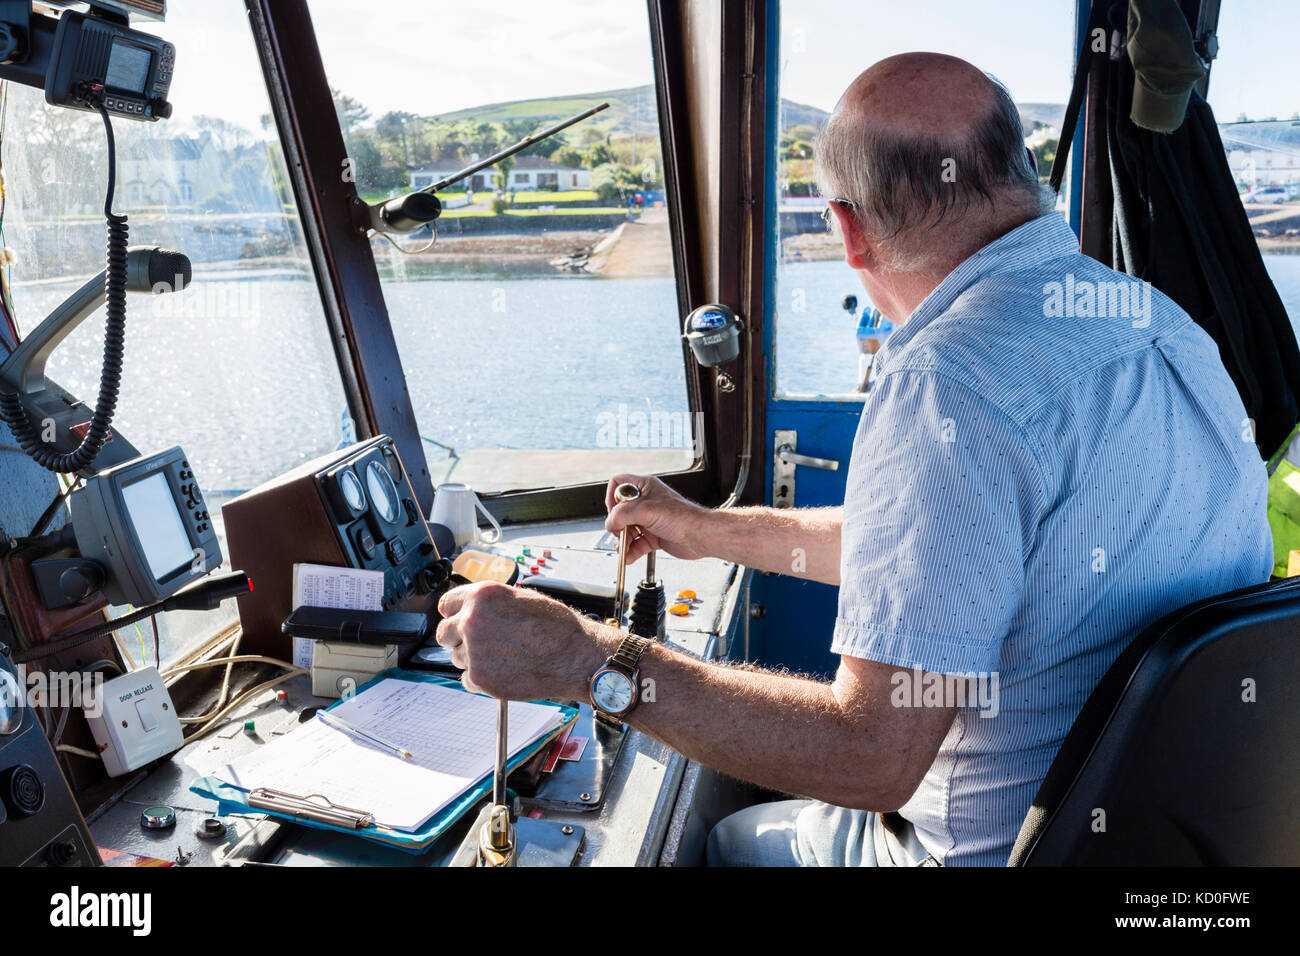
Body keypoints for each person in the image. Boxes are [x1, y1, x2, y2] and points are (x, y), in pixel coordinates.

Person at [434, 52, 1271, 866]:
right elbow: (933, 552)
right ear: (1020, 174)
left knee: (726, 841)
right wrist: (705, 530)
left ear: (848, 228)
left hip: (978, 851)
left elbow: (870, 757)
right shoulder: (1160, 325)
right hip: (1165, 837)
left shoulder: (949, 378)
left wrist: (586, 660)